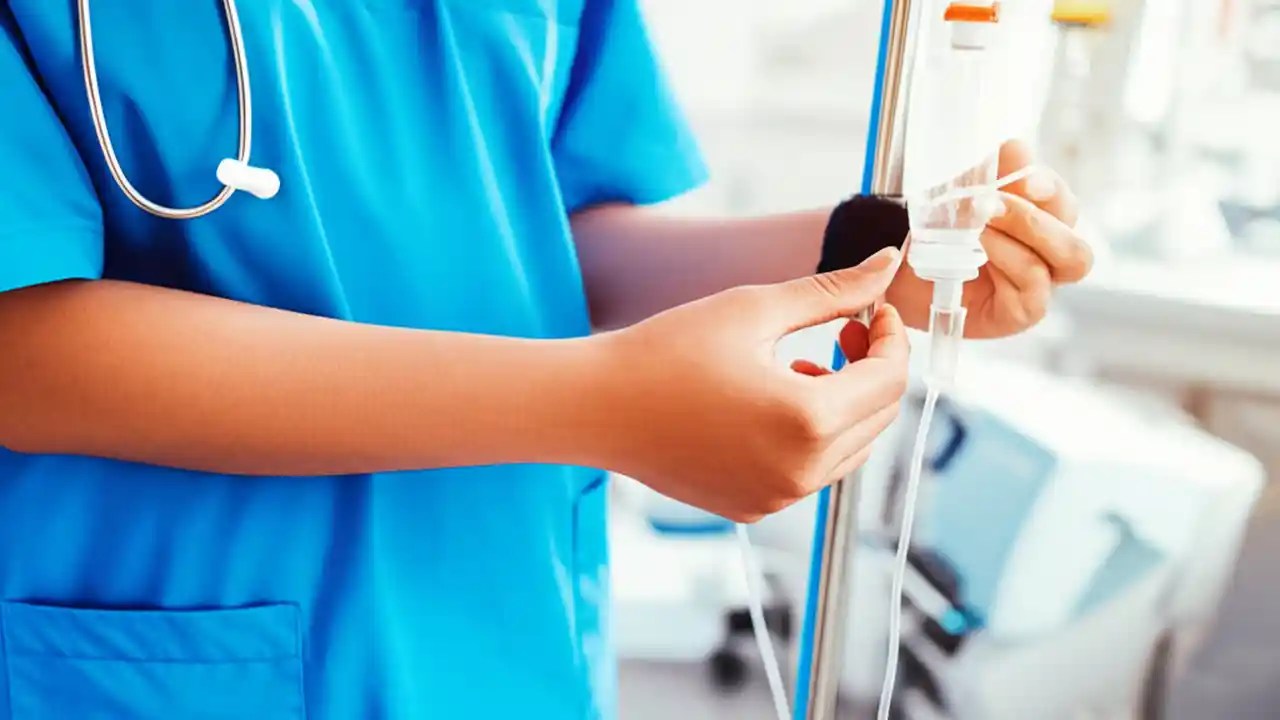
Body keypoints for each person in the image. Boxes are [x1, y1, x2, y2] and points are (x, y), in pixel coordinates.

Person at [0, 1, 1090, 718]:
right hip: (168, 653)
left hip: (501, 641)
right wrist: (598, 402)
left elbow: (553, 242)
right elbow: (23, 349)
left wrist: (870, 258)